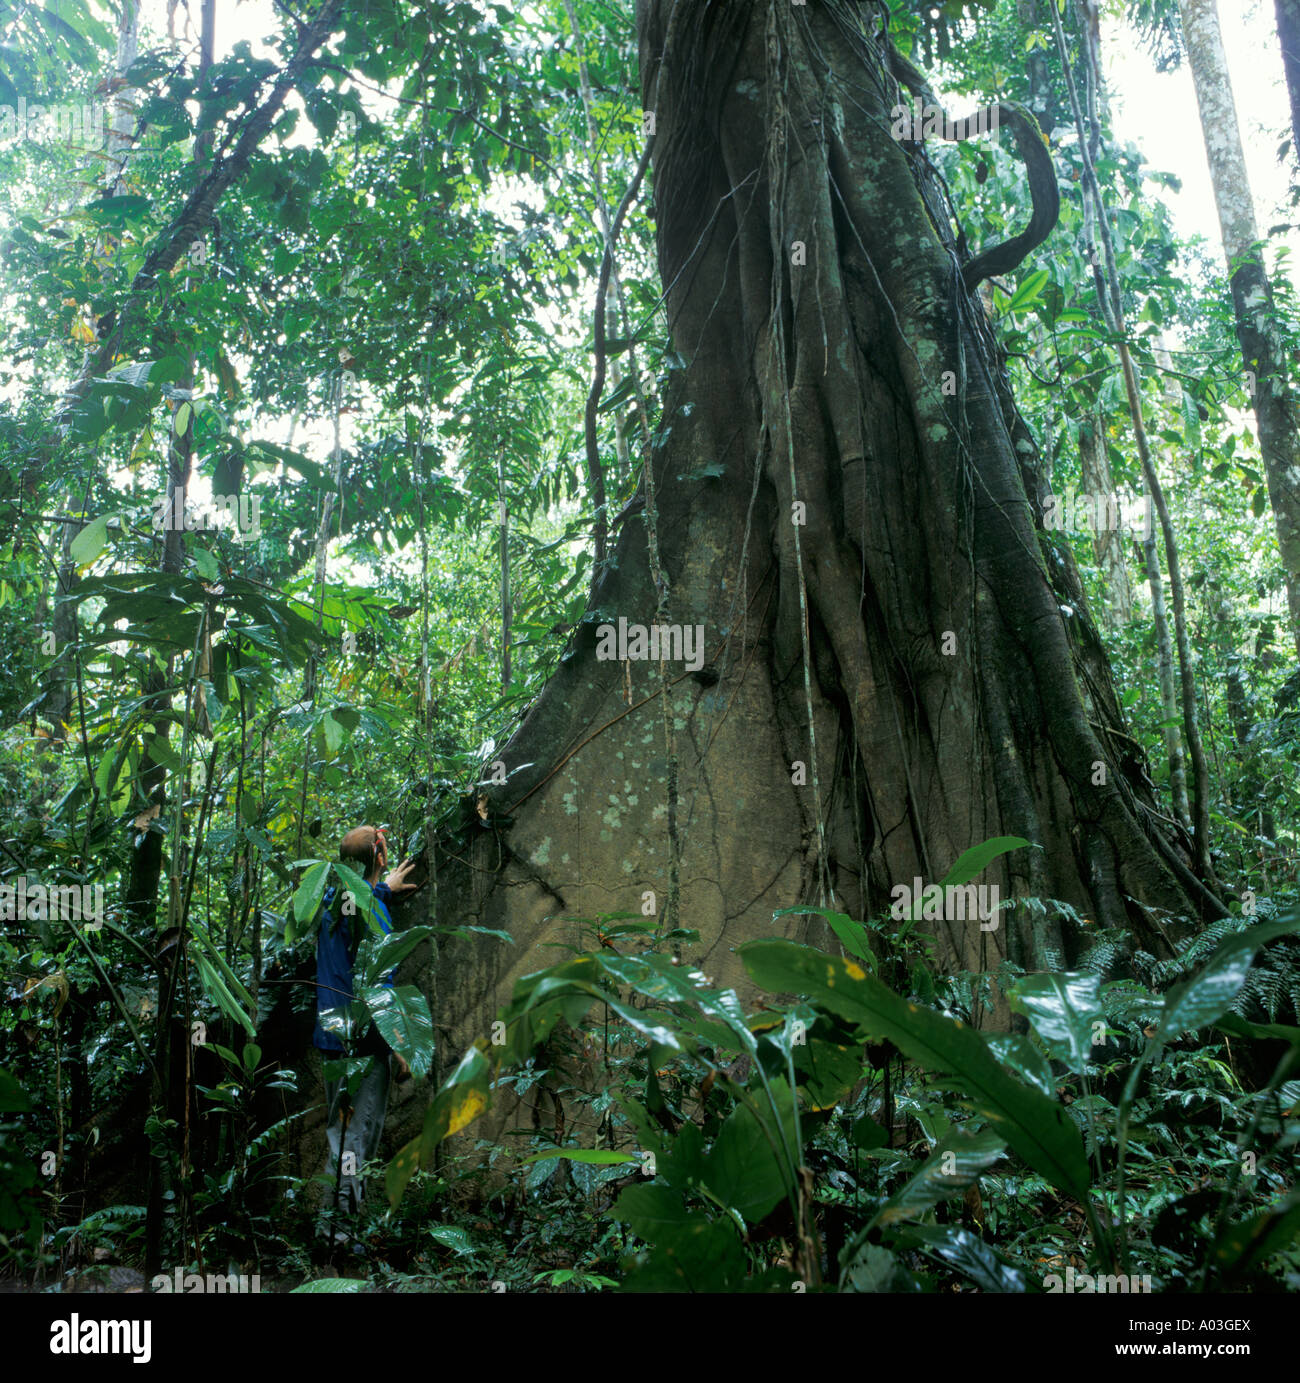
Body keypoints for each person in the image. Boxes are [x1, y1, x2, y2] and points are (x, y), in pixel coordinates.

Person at [314, 824, 418, 1226]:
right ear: (379, 857)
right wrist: (396, 1041)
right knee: (356, 1138)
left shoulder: (327, 901)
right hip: (363, 1041)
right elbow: (378, 985)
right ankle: (340, 1237)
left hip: (331, 1038)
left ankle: (332, 1229)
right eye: (384, 846)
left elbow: (349, 911)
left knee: (340, 1135)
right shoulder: (373, 911)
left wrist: (382, 890)